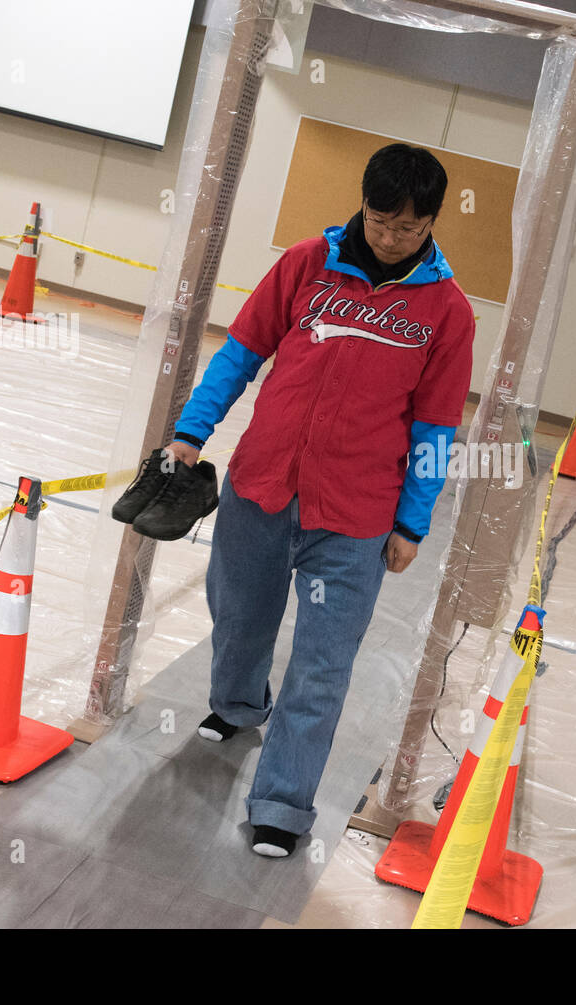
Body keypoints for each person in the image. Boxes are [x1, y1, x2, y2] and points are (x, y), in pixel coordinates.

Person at [160, 144, 474, 858]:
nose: (390, 237)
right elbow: (241, 352)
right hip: (262, 487)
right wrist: (190, 433)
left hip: (356, 520)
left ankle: (281, 804)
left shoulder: (446, 312)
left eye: (408, 228)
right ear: (361, 205)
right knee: (239, 619)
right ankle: (237, 705)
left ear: (431, 223)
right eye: (379, 220)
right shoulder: (307, 263)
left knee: (321, 666)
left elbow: (436, 427)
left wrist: (412, 524)